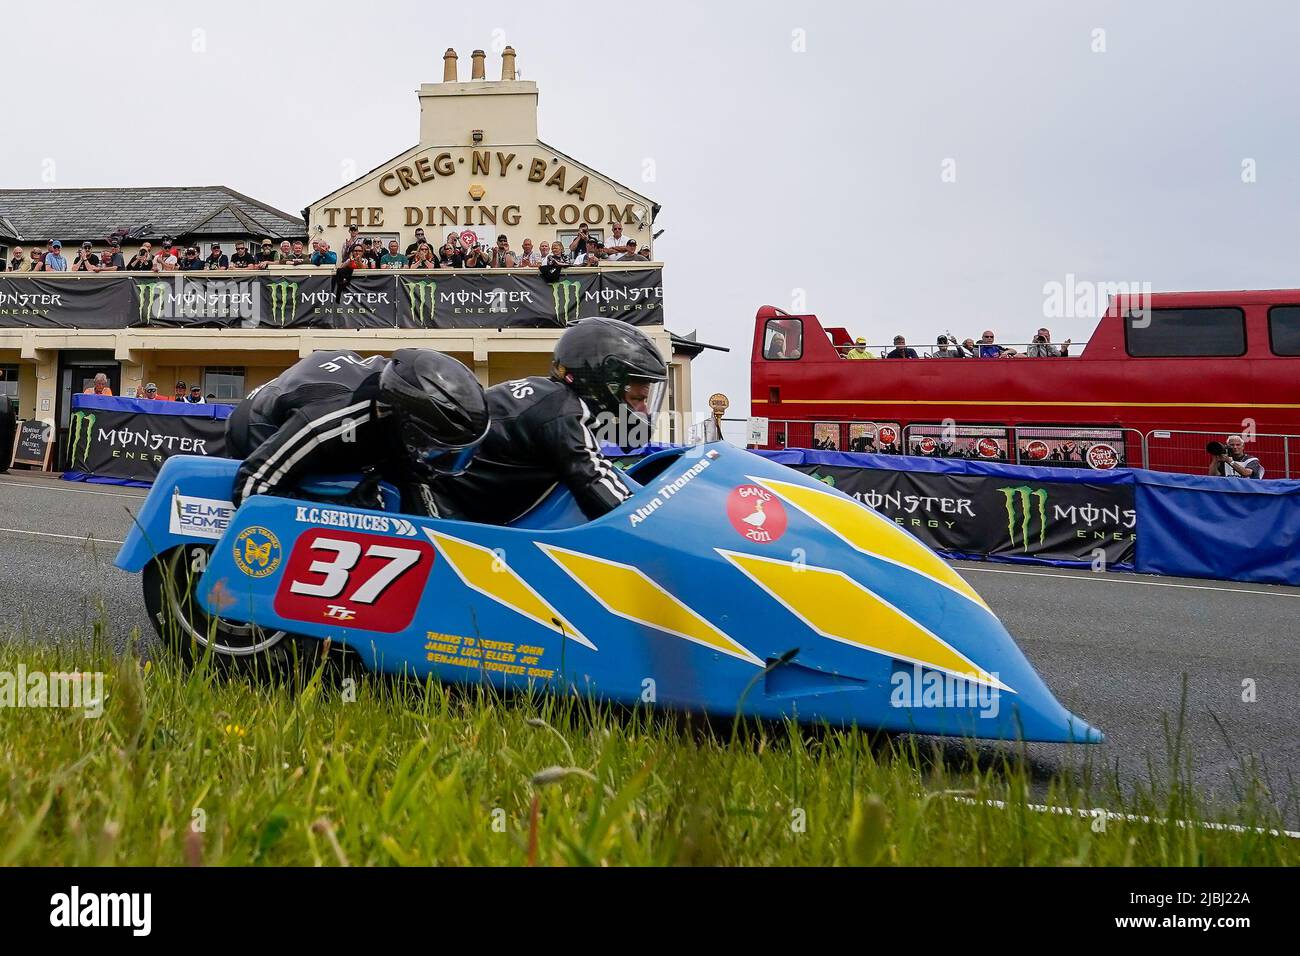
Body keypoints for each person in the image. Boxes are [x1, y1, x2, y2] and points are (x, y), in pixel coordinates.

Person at [431, 318, 666, 524]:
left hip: (452, 503)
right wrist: (659, 526)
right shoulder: (564, 411)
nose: (643, 409)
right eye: (637, 399)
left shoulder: (549, 394)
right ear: (603, 383)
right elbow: (599, 485)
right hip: (453, 520)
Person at [226, 349, 490, 516]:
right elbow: (250, 488)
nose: (444, 464)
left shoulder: (398, 410)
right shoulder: (329, 421)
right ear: (409, 432)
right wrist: (343, 513)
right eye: (440, 452)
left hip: (353, 414)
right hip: (260, 423)